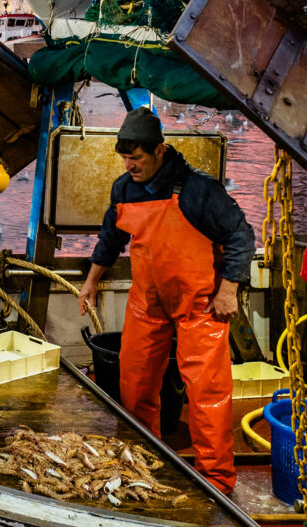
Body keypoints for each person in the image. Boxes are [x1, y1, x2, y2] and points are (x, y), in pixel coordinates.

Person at [77, 108, 253, 494]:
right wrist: (90, 283)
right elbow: (110, 239)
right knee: (135, 385)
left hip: (200, 304)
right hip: (147, 302)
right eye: (125, 157)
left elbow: (241, 236)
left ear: (160, 151)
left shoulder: (199, 190)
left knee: (207, 395)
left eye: (136, 157)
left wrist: (228, 291)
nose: (129, 165)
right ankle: (142, 461)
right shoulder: (124, 189)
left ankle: (217, 482)